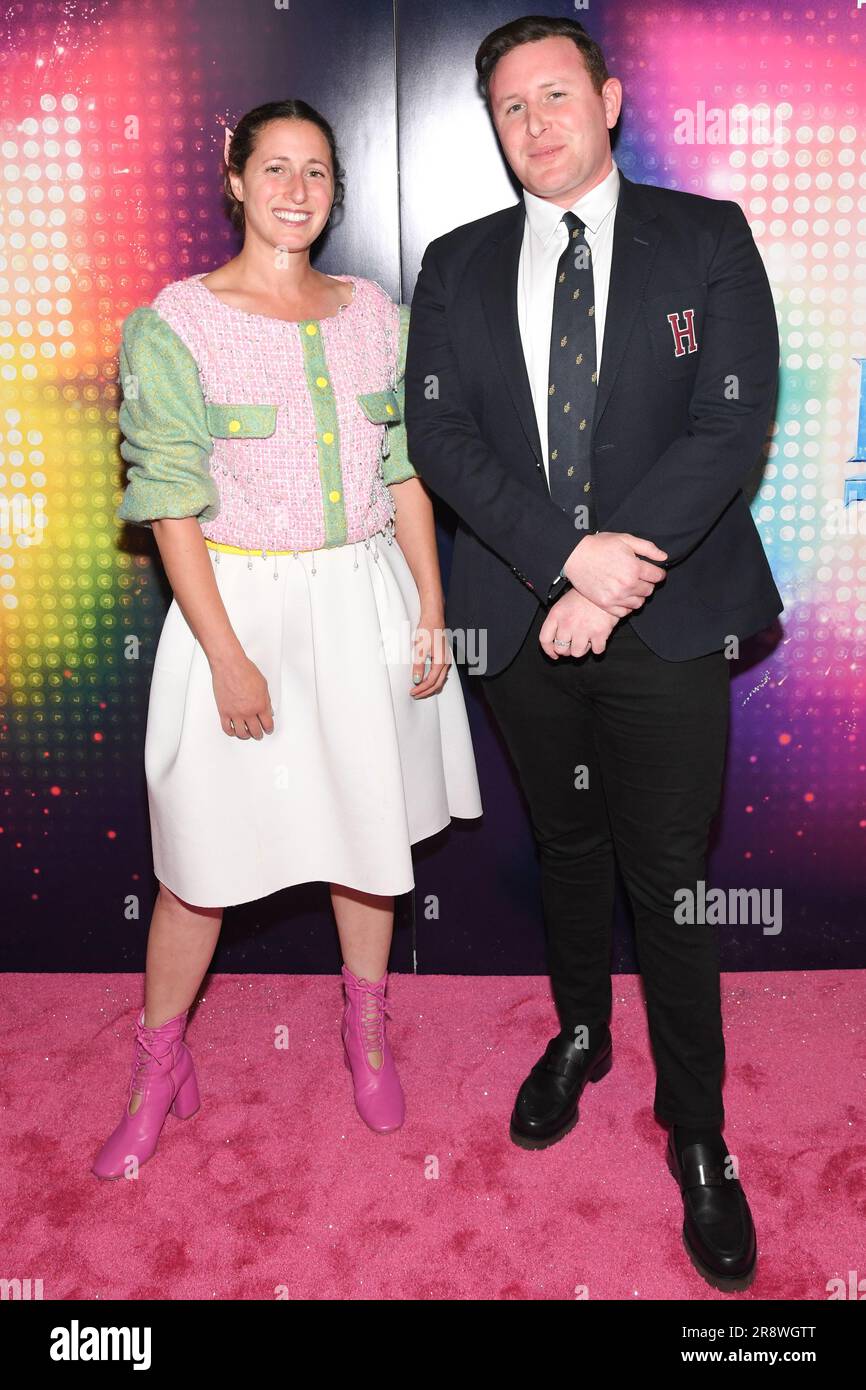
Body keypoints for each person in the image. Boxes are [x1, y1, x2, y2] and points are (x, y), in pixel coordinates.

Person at [404, 16, 781, 1291]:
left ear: (608, 100)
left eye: (555, 94)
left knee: (667, 877)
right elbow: (440, 443)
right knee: (567, 847)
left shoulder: (706, 235)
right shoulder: (453, 266)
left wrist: (614, 575)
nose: (534, 123)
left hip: (665, 616)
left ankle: (700, 1133)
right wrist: (562, 566)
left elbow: (729, 429)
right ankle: (578, 1032)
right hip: (520, 612)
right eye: (509, 106)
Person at [93, 99, 482, 1180]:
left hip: (363, 602)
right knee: (199, 869)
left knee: (369, 843)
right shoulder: (175, 322)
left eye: (315, 171)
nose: (295, 189)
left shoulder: (376, 314)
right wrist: (224, 652)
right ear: (235, 175)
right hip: (239, 609)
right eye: (275, 167)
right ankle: (155, 1065)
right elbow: (169, 504)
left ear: (332, 188)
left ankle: (365, 1032)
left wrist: (429, 607)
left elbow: (401, 474)